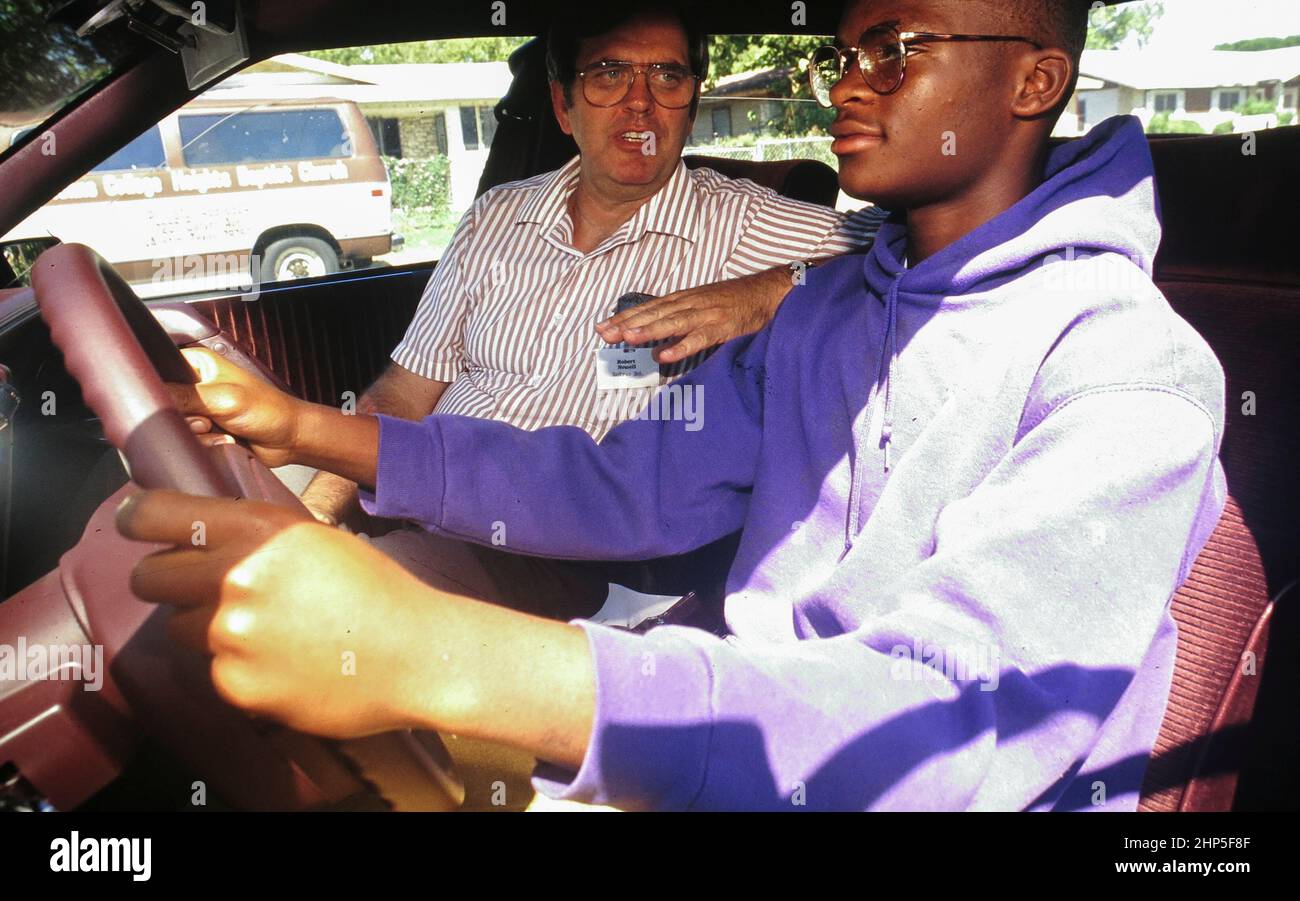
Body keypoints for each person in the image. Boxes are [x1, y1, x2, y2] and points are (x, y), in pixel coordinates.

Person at [117, 0, 1226, 811]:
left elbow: (947, 729)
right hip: (740, 745)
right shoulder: (831, 315)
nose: (845, 84)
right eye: (844, 54)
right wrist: (308, 430)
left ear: (1034, 82)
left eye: (898, 51)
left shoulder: (1125, 368)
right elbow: (619, 481)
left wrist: (434, 652)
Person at [299, 2, 885, 529]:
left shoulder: (746, 223)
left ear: (692, 106)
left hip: (566, 545)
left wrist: (770, 289)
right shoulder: (495, 217)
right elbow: (406, 390)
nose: (640, 100)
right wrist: (318, 512)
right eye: (608, 74)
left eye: (667, 75)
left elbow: (925, 249)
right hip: (417, 494)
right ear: (562, 105)